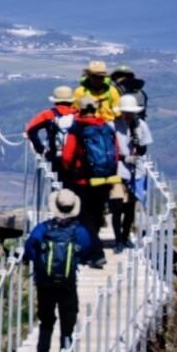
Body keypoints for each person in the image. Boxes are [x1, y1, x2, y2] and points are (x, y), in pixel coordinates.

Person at [22, 188, 101, 352]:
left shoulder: (43, 229)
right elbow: (86, 251)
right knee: (68, 323)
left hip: (44, 282)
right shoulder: (79, 231)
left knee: (46, 321)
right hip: (67, 283)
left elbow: (30, 248)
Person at [59, 94, 120, 264]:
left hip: (82, 181)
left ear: (80, 108)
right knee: (96, 216)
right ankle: (91, 250)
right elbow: (116, 152)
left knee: (85, 218)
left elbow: (67, 156)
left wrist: (69, 171)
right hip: (104, 180)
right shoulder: (106, 127)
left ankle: (95, 253)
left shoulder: (77, 128)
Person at [111, 94, 154, 248]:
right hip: (117, 170)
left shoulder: (141, 126)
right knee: (116, 206)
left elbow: (143, 149)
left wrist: (136, 146)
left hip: (135, 171)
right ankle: (117, 240)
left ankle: (125, 236)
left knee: (129, 208)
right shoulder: (114, 125)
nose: (128, 115)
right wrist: (123, 157)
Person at [25, 85, 77, 174]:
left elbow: (30, 129)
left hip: (55, 156)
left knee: (57, 184)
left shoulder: (48, 115)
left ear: (55, 101)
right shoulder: (78, 115)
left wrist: (41, 150)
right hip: (76, 158)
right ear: (71, 101)